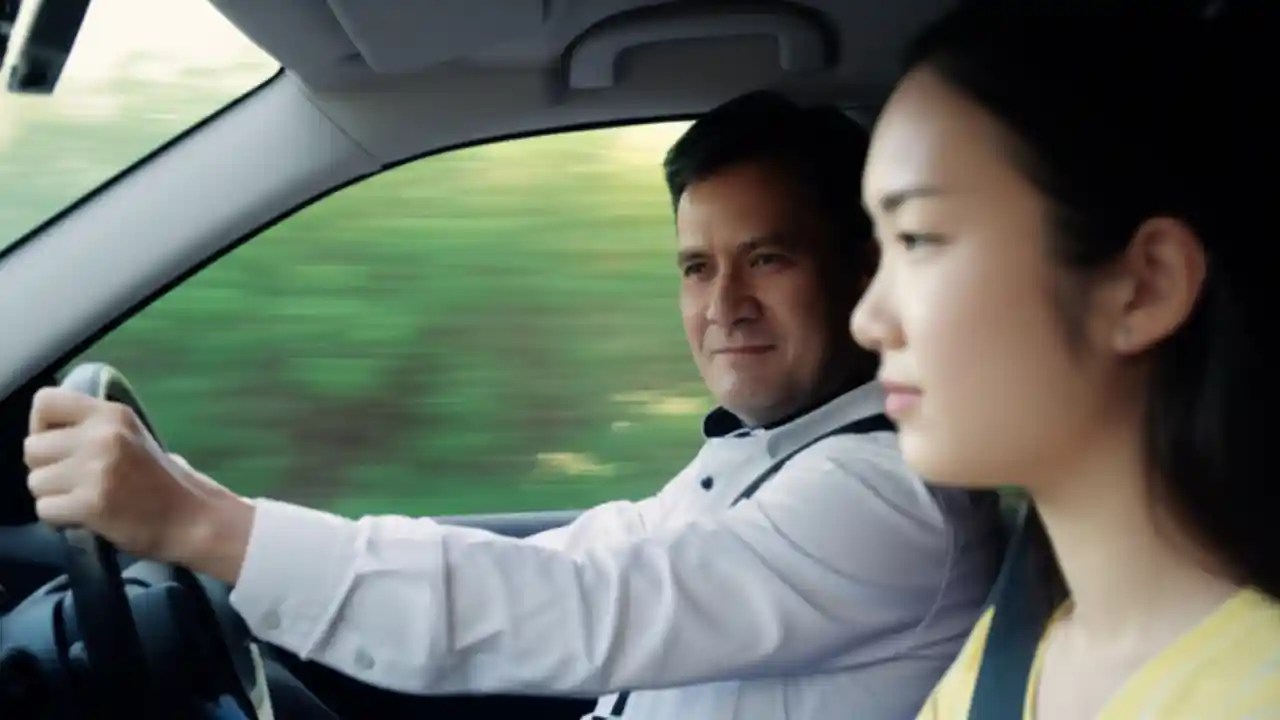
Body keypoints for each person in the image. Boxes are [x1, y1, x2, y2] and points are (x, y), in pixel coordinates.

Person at [24, 91, 1002, 719]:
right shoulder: (767, 455)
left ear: (862, 269)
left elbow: (575, 611)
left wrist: (205, 526)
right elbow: (578, 558)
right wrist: (197, 507)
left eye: (767, 259)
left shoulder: (887, 497)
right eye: (695, 268)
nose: (721, 305)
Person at [850, 2, 1280, 718]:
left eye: (919, 238)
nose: (868, 320)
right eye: (880, 248)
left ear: (1144, 287)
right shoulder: (1007, 655)